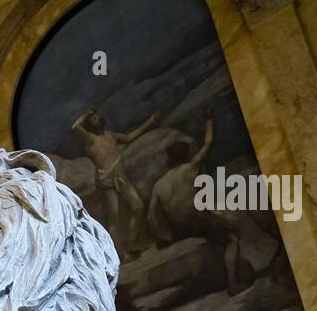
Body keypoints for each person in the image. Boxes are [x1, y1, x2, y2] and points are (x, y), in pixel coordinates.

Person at [72, 107, 159, 258]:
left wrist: (150, 122)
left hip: (120, 177)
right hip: (106, 180)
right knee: (113, 217)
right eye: (94, 119)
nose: (98, 119)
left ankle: (132, 244)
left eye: (98, 117)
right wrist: (88, 114)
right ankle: (117, 255)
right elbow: (75, 127)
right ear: (90, 125)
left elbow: (130, 137)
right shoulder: (90, 139)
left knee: (138, 207)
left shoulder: (110, 135)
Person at [146, 107, 216, 247]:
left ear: (169, 159)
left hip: (179, 232)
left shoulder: (159, 185)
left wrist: (160, 239)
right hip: (199, 224)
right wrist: (208, 120)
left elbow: (150, 216)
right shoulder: (190, 168)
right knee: (233, 238)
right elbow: (208, 143)